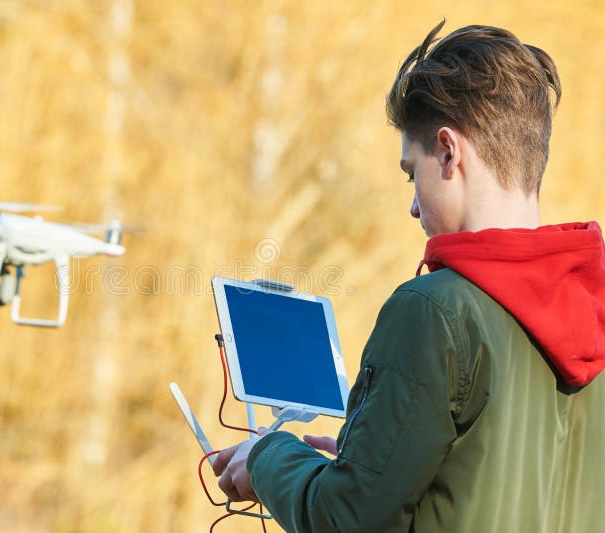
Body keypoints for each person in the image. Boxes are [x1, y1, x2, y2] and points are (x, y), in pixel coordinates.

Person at [212, 21, 605, 533]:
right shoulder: (594, 306)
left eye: (411, 172)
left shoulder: (435, 311)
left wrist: (268, 456)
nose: (413, 206)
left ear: (448, 152)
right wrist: (371, 465)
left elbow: (348, 518)